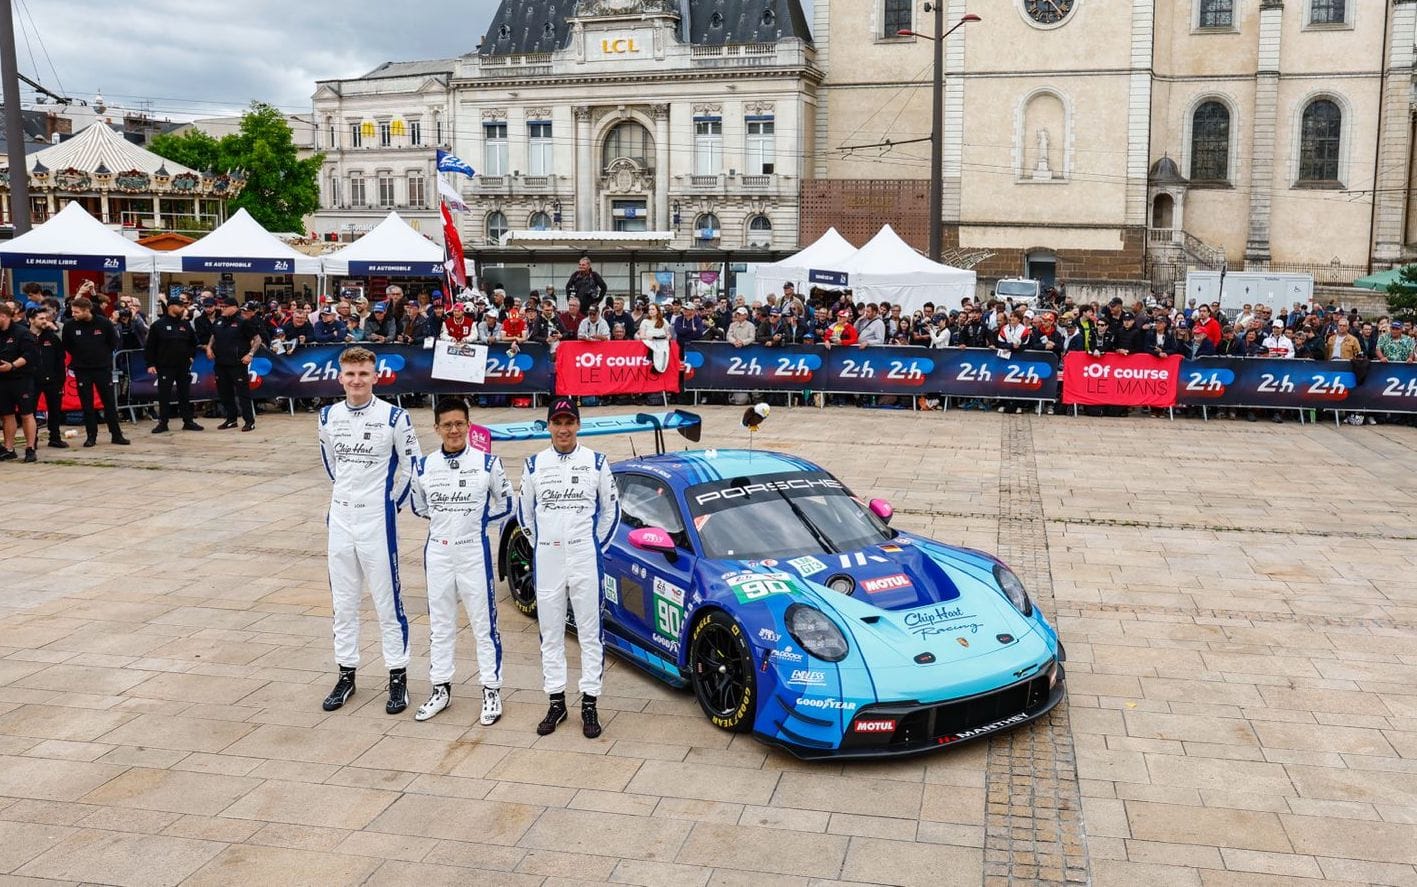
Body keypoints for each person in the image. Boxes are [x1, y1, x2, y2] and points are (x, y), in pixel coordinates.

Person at [318, 346, 423, 715]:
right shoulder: (327, 416)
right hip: (341, 519)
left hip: (377, 520)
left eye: (364, 373)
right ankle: (346, 672)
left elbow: (412, 466)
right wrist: (347, 498)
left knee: (387, 601)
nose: (357, 380)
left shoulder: (395, 417)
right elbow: (331, 463)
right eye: (350, 374)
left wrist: (389, 503)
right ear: (340, 377)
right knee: (343, 602)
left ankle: (398, 675)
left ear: (376, 376)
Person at [517, 397, 619, 738]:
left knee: (590, 633)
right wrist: (542, 545)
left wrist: (594, 546)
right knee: (550, 633)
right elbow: (524, 515)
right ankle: (556, 701)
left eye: (569, 421)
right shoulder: (533, 465)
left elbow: (611, 512)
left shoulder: (596, 462)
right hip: (548, 558)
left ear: (578, 424)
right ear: (548, 426)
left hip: (585, 557)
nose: (563, 428)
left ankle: (589, 703)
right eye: (557, 422)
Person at [409, 397, 514, 723]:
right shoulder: (424, 466)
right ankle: (440, 688)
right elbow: (419, 506)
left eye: (459, 423)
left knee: (484, 624)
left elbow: (507, 502)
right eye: (447, 425)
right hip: (438, 551)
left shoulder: (487, 463)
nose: (453, 430)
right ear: (437, 428)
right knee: (440, 625)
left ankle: (491, 690)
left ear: (468, 425)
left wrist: (479, 522)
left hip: (473, 551)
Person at [61, 293, 130, 448]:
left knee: (109, 402)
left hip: (102, 368)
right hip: (82, 369)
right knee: (87, 404)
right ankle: (91, 436)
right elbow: (67, 345)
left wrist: (101, 356)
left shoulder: (103, 323)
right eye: (73, 311)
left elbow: (113, 343)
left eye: (77, 312)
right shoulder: (70, 326)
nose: (74, 314)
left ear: (87, 310)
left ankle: (116, 435)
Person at [144, 297, 203, 434]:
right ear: (171, 307)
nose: (183, 309)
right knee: (164, 394)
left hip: (183, 366)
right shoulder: (158, 325)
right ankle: (163, 422)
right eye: (180, 306)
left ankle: (188, 421)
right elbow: (150, 346)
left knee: (184, 394)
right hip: (165, 366)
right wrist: (150, 363)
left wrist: (191, 356)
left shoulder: (185, 325)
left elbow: (194, 343)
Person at [207, 296, 260, 432]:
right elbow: (214, 335)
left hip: (237, 363)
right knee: (224, 393)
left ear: (234, 307)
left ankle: (249, 421)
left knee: (243, 393)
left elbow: (257, 339)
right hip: (220, 363)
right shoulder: (219, 321)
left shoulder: (243, 322)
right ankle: (231, 419)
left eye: (225, 307)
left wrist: (250, 354)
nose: (222, 309)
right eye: (221, 306)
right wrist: (209, 347)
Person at [0, 304, 39, 462]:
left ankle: (30, 448)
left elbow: (30, 355)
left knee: (26, 414)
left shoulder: (22, 332)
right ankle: (9, 448)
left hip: (21, 379)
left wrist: (13, 366)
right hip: (2, 380)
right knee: (6, 415)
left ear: (3, 316)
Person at [28, 307, 67, 449]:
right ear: (31, 320)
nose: (45, 321)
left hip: (52, 380)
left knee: (55, 410)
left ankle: (55, 438)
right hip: (32, 380)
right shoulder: (25, 336)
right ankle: (33, 439)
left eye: (46, 318)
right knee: (30, 411)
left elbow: (60, 359)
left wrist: (60, 379)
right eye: (41, 319)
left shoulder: (52, 337)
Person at [637, 303, 672, 373]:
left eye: (653, 309)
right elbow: (641, 336)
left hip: (662, 343)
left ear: (657, 311)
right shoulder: (645, 322)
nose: (651, 311)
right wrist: (649, 337)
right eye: (649, 309)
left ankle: (660, 366)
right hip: (650, 344)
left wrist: (667, 337)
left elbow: (669, 334)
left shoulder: (664, 321)